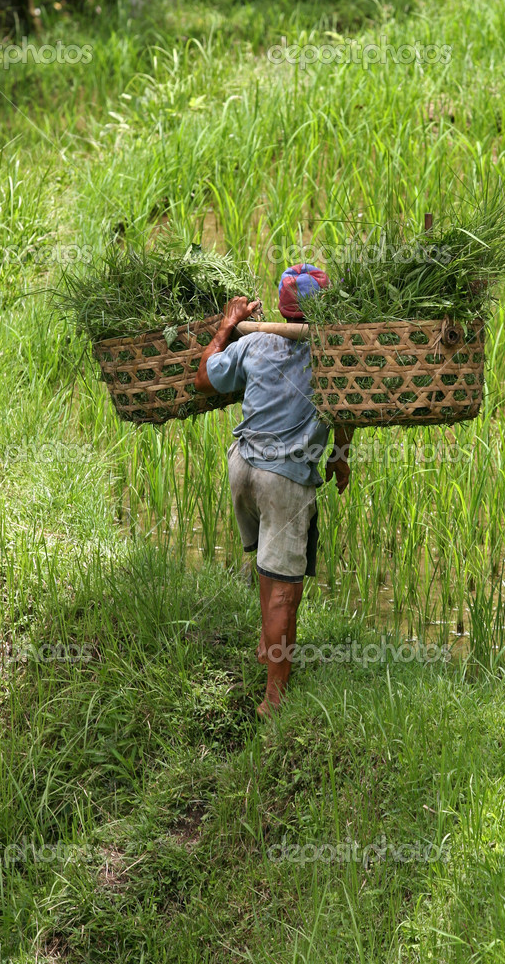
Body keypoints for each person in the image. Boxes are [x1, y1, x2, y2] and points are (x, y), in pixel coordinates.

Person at [194, 264, 353, 718]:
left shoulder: (254, 342)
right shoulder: (332, 355)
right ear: (325, 310)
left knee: (270, 568)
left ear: (282, 309)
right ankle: (275, 700)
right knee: (285, 591)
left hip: (242, 468)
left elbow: (203, 378)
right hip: (282, 481)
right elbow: (348, 408)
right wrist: (340, 457)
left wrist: (226, 326)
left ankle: (270, 652)